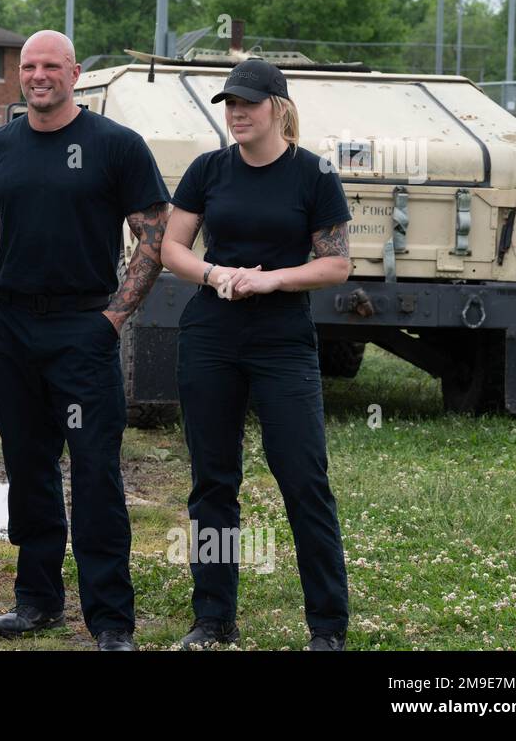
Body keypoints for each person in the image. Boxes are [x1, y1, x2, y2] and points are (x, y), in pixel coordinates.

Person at [0, 30, 170, 651]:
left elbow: (151, 236)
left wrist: (115, 317)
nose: (39, 74)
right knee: (27, 466)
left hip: (84, 328)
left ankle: (110, 621)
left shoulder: (116, 147)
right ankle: (37, 601)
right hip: (10, 327)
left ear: (74, 72)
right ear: (19, 75)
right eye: (29, 65)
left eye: (51, 65)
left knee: (96, 473)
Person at [159, 58, 351, 651]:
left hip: (282, 340)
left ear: (278, 106)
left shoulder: (314, 174)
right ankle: (213, 618)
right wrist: (215, 272)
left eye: (248, 103)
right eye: (229, 104)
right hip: (212, 335)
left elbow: (337, 264)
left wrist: (273, 281)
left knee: (303, 478)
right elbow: (171, 246)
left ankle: (327, 626)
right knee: (213, 483)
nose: (236, 113)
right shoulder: (208, 169)